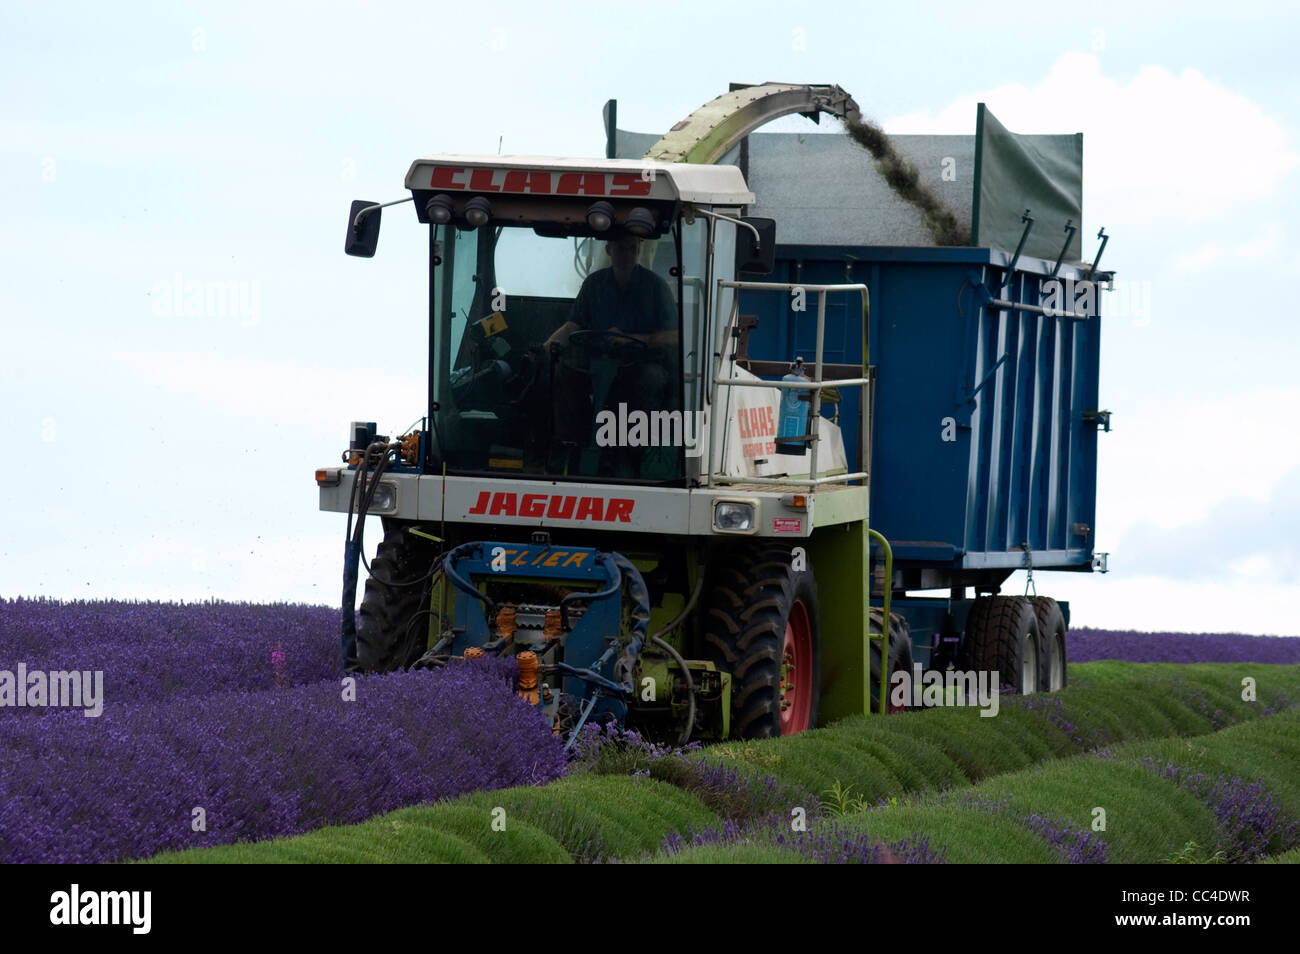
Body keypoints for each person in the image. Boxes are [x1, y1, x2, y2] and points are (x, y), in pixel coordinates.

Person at [545, 233, 680, 477]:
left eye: (630, 248)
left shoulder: (656, 287)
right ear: (608, 249)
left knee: (649, 379)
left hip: (641, 363)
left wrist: (637, 338)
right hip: (597, 362)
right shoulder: (593, 284)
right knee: (562, 370)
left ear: (639, 250)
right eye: (620, 248)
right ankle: (568, 444)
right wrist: (544, 349)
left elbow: (675, 336)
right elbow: (573, 326)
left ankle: (631, 450)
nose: (625, 253)